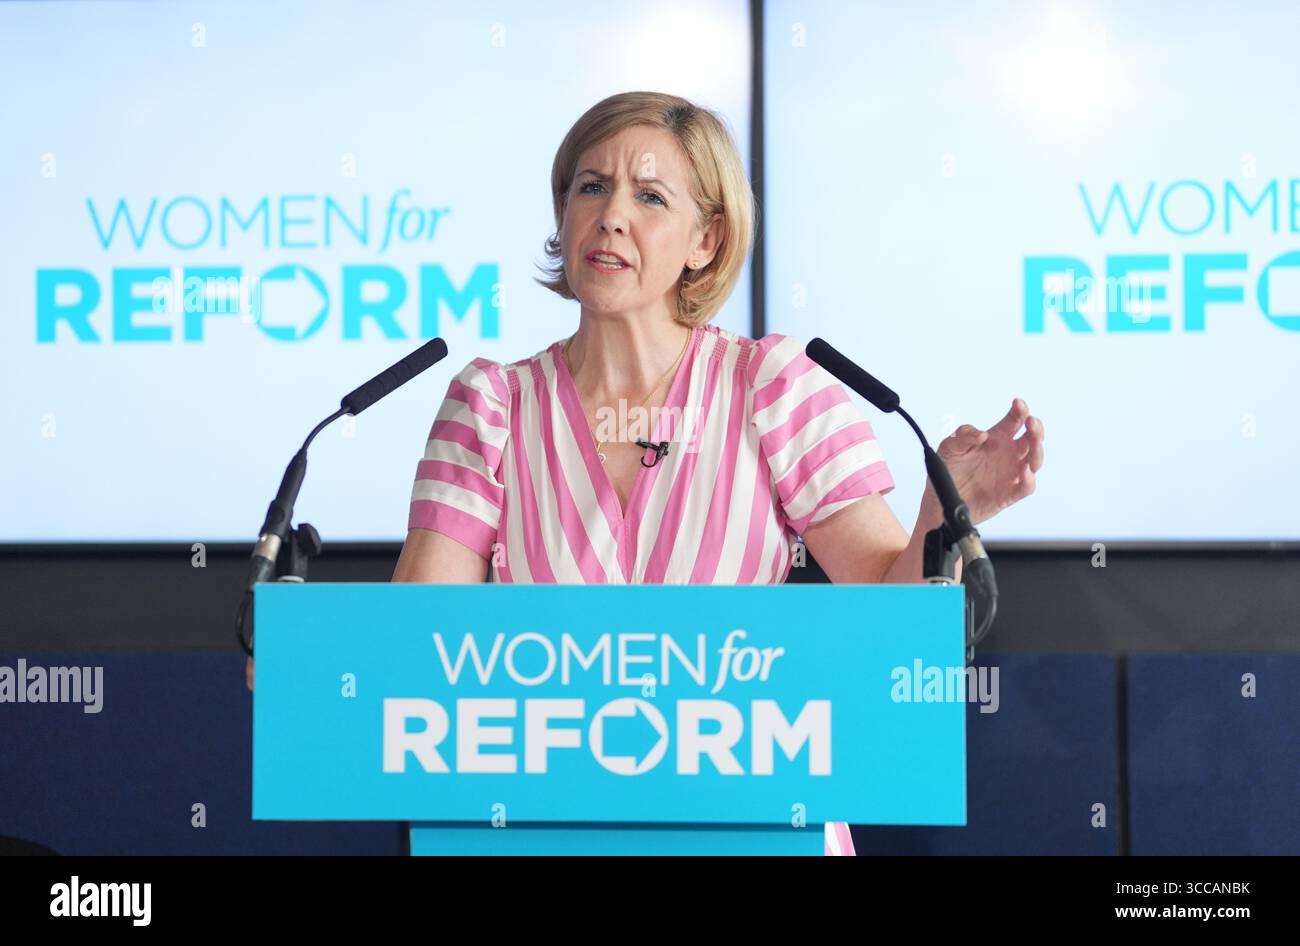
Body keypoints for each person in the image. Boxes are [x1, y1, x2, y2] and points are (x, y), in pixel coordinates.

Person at [250, 91, 1046, 856]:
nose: (612, 214)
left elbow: (889, 626)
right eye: (591, 187)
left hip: (758, 832)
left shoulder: (773, 386)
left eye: (651, 196)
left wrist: (954, 507)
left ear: (706, 239)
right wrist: (313, 667)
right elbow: (417, 645)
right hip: (541, 836)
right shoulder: (489, 404)